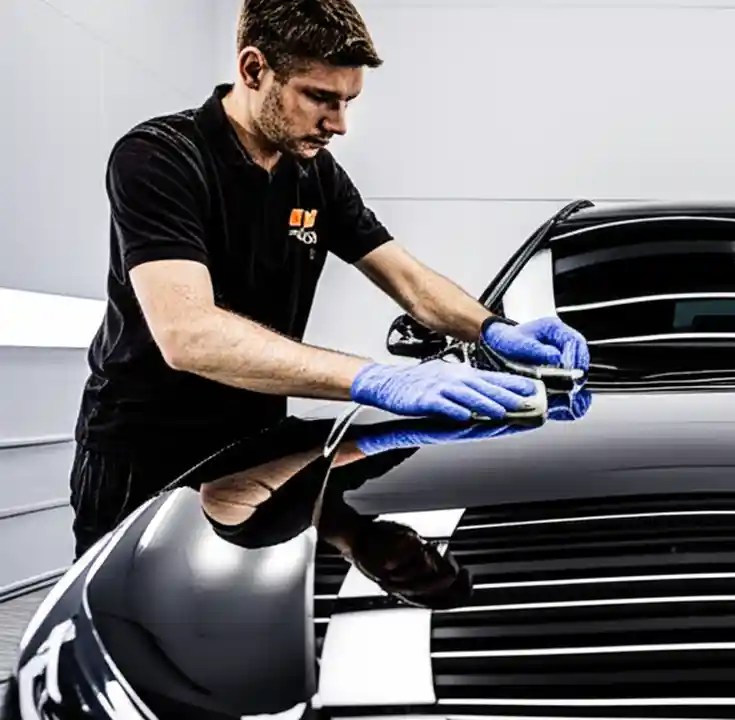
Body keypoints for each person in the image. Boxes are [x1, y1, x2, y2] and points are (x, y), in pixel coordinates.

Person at [68, 0, 590, 558]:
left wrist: (492, 329)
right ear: (253, 69)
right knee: (135, 631)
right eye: (320, 97)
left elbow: (409, 281)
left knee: (254, 623)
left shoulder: (314, 174)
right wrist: (378, 380)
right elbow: (188, 335)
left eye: (349, 102)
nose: (339, 124)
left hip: (259, 447)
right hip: (144, 459)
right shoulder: (161, 159)